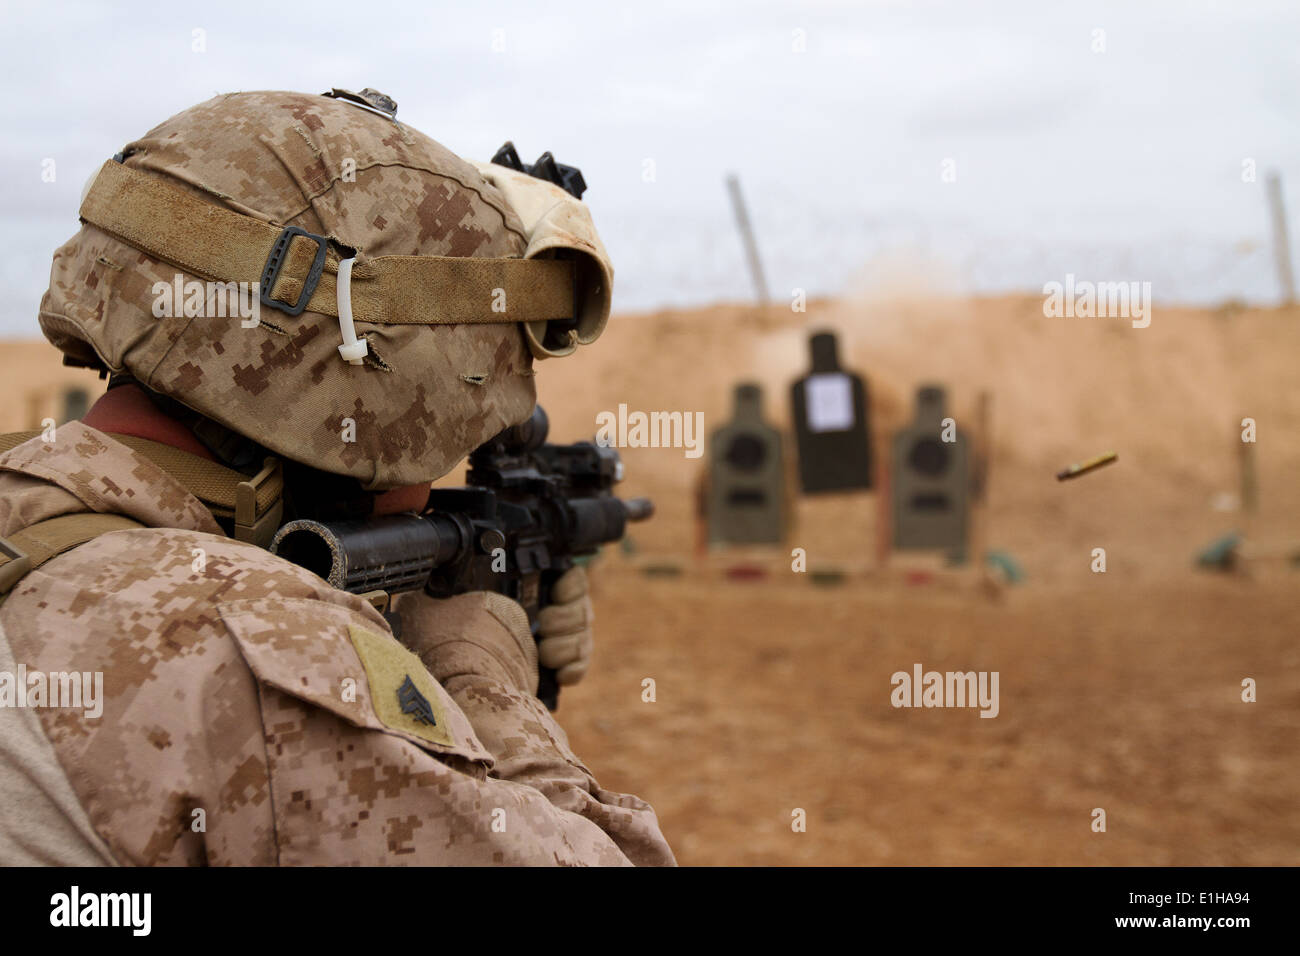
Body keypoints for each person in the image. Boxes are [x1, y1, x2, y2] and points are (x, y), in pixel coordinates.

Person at [0, 89, 674, 866]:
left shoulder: (34, 515)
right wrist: (483, 680)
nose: (430, 485)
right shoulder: (255, 649)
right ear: (368, 404)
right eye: (446, 445)